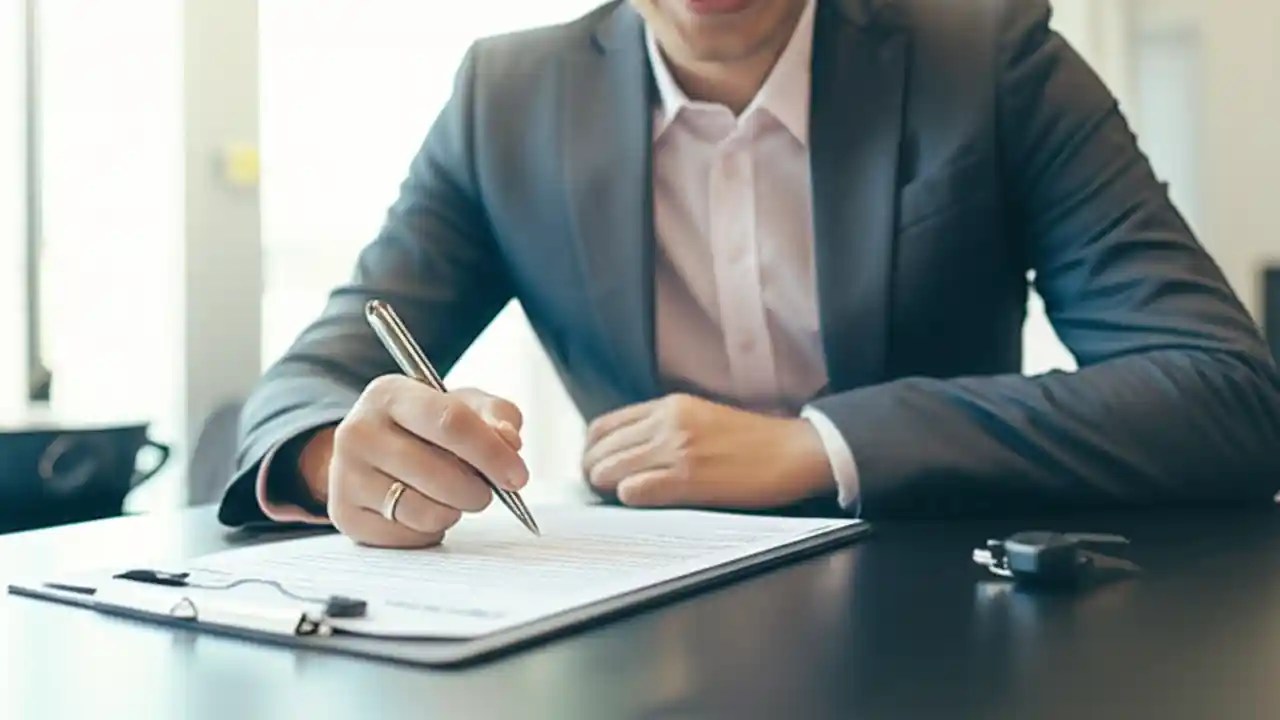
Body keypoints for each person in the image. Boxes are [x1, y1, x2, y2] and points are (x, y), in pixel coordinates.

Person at [218, 0, 1280, 547]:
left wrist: (817, 446)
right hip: (642, 642)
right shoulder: (507, 98)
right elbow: (313, 380)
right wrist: (331, 457)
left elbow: (1222, 396)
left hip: (942, 622)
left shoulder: (990, 56)